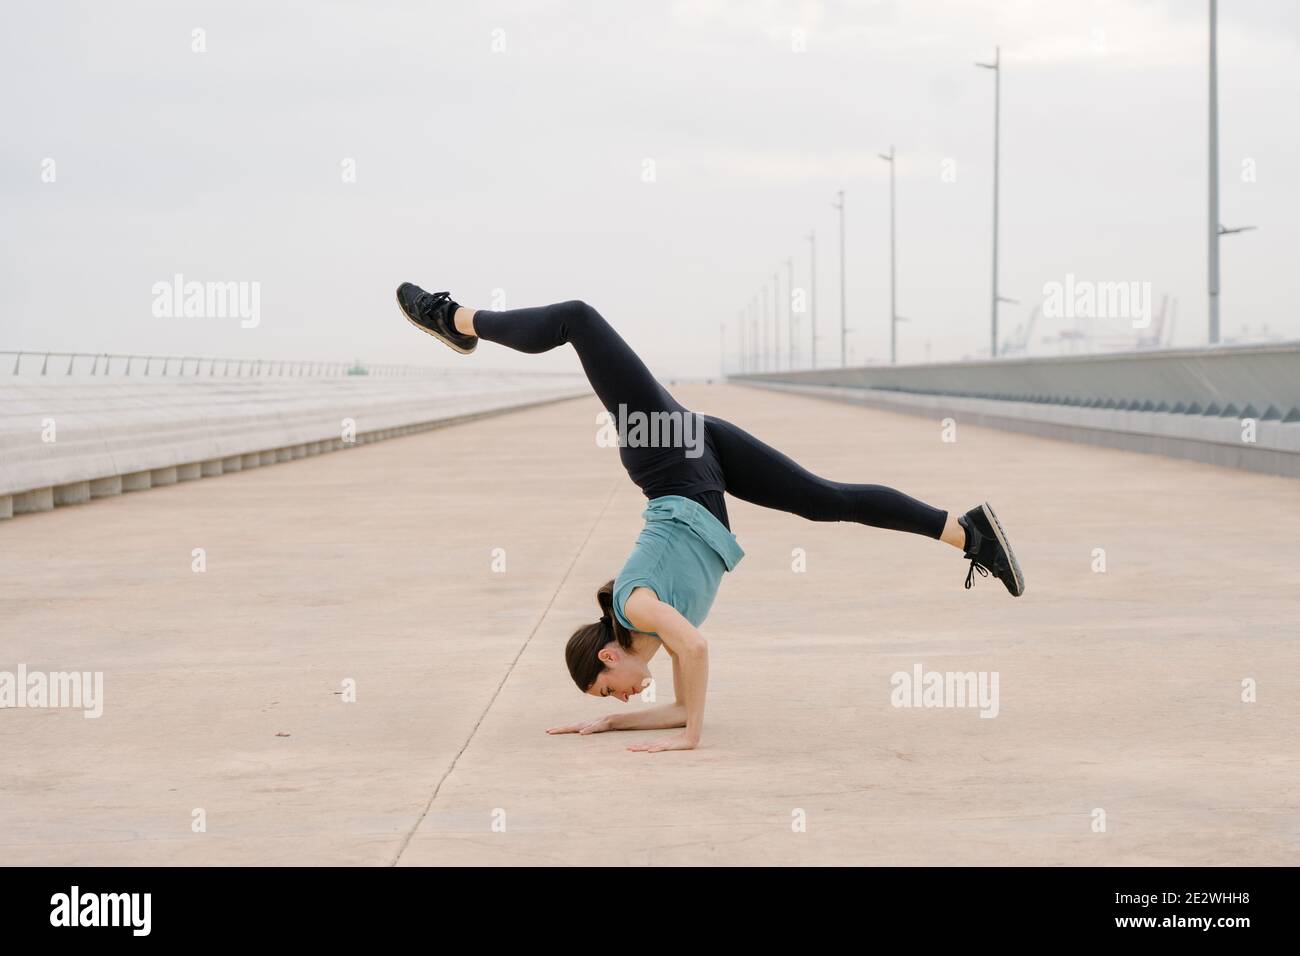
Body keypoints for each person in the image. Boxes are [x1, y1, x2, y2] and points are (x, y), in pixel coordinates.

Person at [397, 283, 1024, 752]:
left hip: (666, 454)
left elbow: (696, 654)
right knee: (827, 500)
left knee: (578, 320)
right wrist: (609, 723)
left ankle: (454, 319)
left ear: (611, 659)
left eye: (611, 690)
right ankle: (969, 532)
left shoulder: (639, 609)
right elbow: (677, 699)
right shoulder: (656, 635)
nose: (626, 694)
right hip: (702, 455)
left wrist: (690, 738)